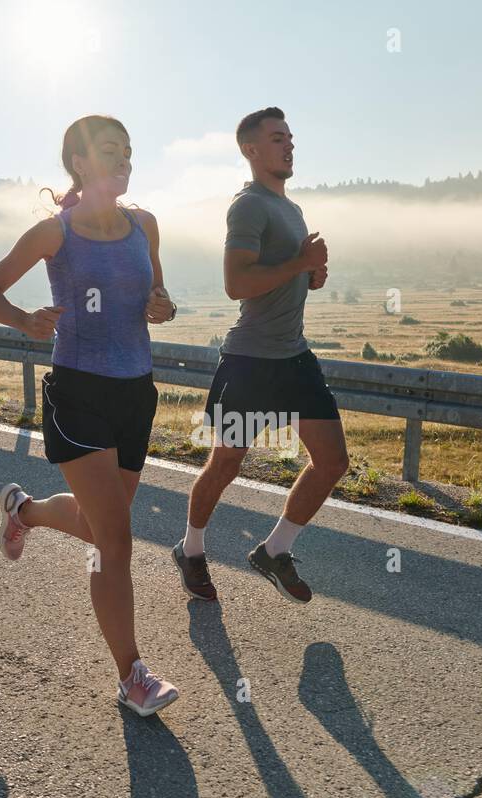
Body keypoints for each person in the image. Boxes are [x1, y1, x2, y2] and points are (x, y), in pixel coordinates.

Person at [0, 115, 180, 717]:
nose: (122, 160)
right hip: (79, 393)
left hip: (136, 394)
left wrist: (161, 306)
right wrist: (22, 320)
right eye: (110, 150)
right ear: (80, 164)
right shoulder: (53, 234)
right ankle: (133, 677)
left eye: (128, 151)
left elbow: (155, 301)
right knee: (116, 541)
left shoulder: (146, 226)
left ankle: (25, 513)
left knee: (97, 527)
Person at [173, 107, 348, 604]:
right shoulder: (248, 206)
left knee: (332, 461)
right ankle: (191, 549)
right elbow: (236, 284)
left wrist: (310, 275)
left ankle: (275, 550)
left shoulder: (290, 209)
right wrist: (300, 263)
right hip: (249, 362)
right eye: (277, 139)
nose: (288, 146)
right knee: (227, 463)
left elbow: (281, 275)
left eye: (290, 137)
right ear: (251, 150)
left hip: (294, 358)